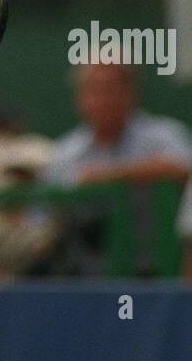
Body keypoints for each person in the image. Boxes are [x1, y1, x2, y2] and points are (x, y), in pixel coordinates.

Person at [40, 61, 192, 276]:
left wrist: (112, 175)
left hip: (157, 277)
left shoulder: (164, 135)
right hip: (83, 281)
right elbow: (42, 215)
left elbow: (183, 169)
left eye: (112, 87)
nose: (103, 98)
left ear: (132, 92)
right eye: (94, 89)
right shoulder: (65, 152)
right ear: (80, 97)